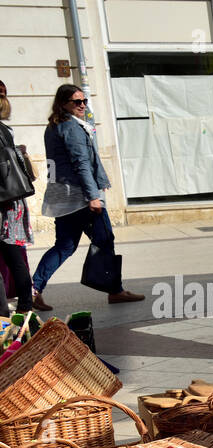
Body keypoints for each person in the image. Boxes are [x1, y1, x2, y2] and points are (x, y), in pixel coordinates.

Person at [30, 84, 144, 309]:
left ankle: (33, 289)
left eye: (84, 101)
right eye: (77, 102)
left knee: (64, 246)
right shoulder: (71, 127)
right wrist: (93, 196)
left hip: (63, 196)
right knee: (104, 240)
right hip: (81, 197)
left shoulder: (54, 126)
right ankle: (115, 290)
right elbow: (81, 163)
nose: (82, 105)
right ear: (63, 104)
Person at [0, 80, 36, 317]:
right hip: (13, 199)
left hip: (4, 202)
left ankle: (23, 305)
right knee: (14, 253)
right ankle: (25, 304)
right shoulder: (6, 130)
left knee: (12, 255)